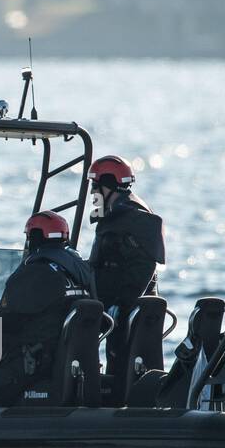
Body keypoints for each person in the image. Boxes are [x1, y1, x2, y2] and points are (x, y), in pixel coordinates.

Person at [0, 211, 96, 406]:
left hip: (32, 364)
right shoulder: (81, 273)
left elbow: (6, 321)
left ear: (35, 238)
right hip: (66, 362)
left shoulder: (37, 271)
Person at [86, 155, 167, 385]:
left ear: (110, 186)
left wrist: (121, 306)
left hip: (126, 315)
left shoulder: (134, 218)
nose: (92, 193)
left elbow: (143, 265)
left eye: (95, 186)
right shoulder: (115, 217)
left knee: (125, 366)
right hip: (114, 311)